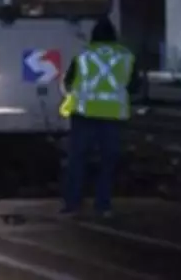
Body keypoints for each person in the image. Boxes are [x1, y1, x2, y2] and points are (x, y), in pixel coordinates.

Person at [59, 17, 134, 217]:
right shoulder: (126, 57)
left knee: (77, 160)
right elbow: (134, 86)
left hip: (83, 116)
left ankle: (72, 204)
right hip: (112, 117)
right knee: (107, 162)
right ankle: (103, 205)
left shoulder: (83, 56)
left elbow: (67, 84)